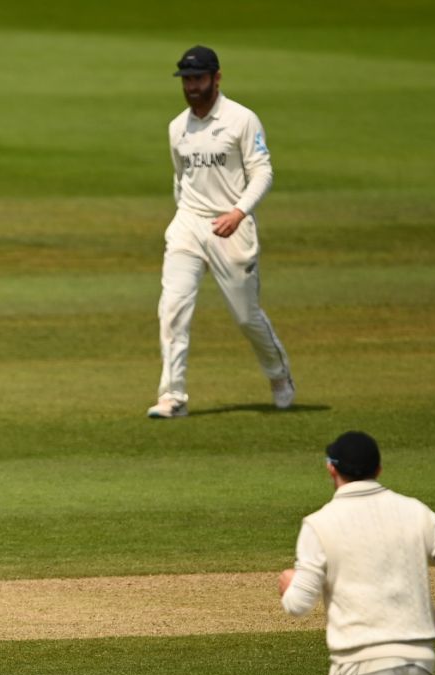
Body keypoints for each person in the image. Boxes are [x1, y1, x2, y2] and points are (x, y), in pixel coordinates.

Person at [279, 431, 435, 675]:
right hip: (419, 662)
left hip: (364, 665)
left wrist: (289, 585)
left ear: (331, 468)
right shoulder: (416, 511)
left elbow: (298, 604)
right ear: (379, 469)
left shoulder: (319, 523)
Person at [148, 44, 294, 418]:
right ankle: (173, 396)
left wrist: (238, 212)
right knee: (172, 309)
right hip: (188, 223)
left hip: (231, 225)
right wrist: (184, 219)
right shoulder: (177, 127)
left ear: (216, 77)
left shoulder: (242, 119)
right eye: (186, 80)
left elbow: (263, 172)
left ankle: (278, 374)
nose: (191, 87)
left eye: (198, 78)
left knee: (246, 316)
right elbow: (181, 179)